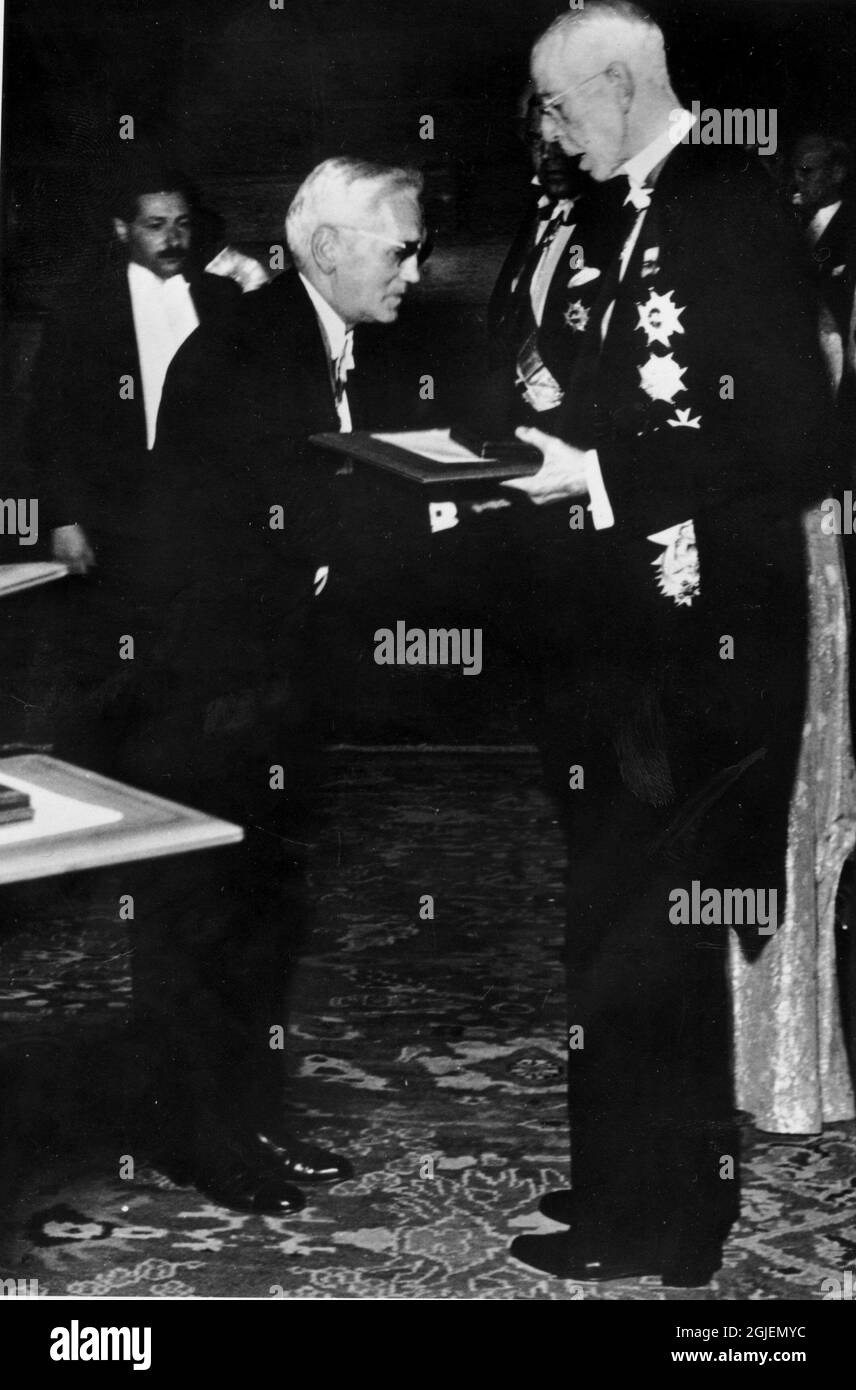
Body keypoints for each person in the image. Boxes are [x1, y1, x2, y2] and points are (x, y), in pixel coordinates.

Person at [504, 2, 839, 1285]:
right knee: (609, 924)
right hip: (605, 640)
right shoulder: (609, 204)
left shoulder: (725, 203)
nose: (547, 127)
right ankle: (615, 1183)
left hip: (701, 646)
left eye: (558, 103)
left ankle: (673, 1221)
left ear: (620, 83)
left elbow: (800, 437)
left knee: (664, 933)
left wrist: (596, 477)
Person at [113, 158, 427, 1214]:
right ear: (328, 247)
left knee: (266, 910)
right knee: (205, 915)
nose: (414, 273)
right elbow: (239, 529)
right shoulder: (248, 350)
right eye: (400, 249)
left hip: (280, 677)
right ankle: (199, 1134)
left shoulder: (327, 340)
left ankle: (244, 1114)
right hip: (213, 681)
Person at [26, 160, 242, 769]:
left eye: (181, 224)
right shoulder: (79, 310)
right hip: (110, 517)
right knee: (105, 676)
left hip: (197, 517)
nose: (173, 238)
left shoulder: (224, 300)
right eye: (155, 225)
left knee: (191, 671)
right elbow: (48, 422)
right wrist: (63, 519)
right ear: (122, 229)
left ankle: (178, 800)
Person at [487, 91, 586, 431]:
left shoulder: (608, 221)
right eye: (537, 141)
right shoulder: (537, 214)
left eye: (560, 138)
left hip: (572, 427)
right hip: (514, 423)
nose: (550, 155)